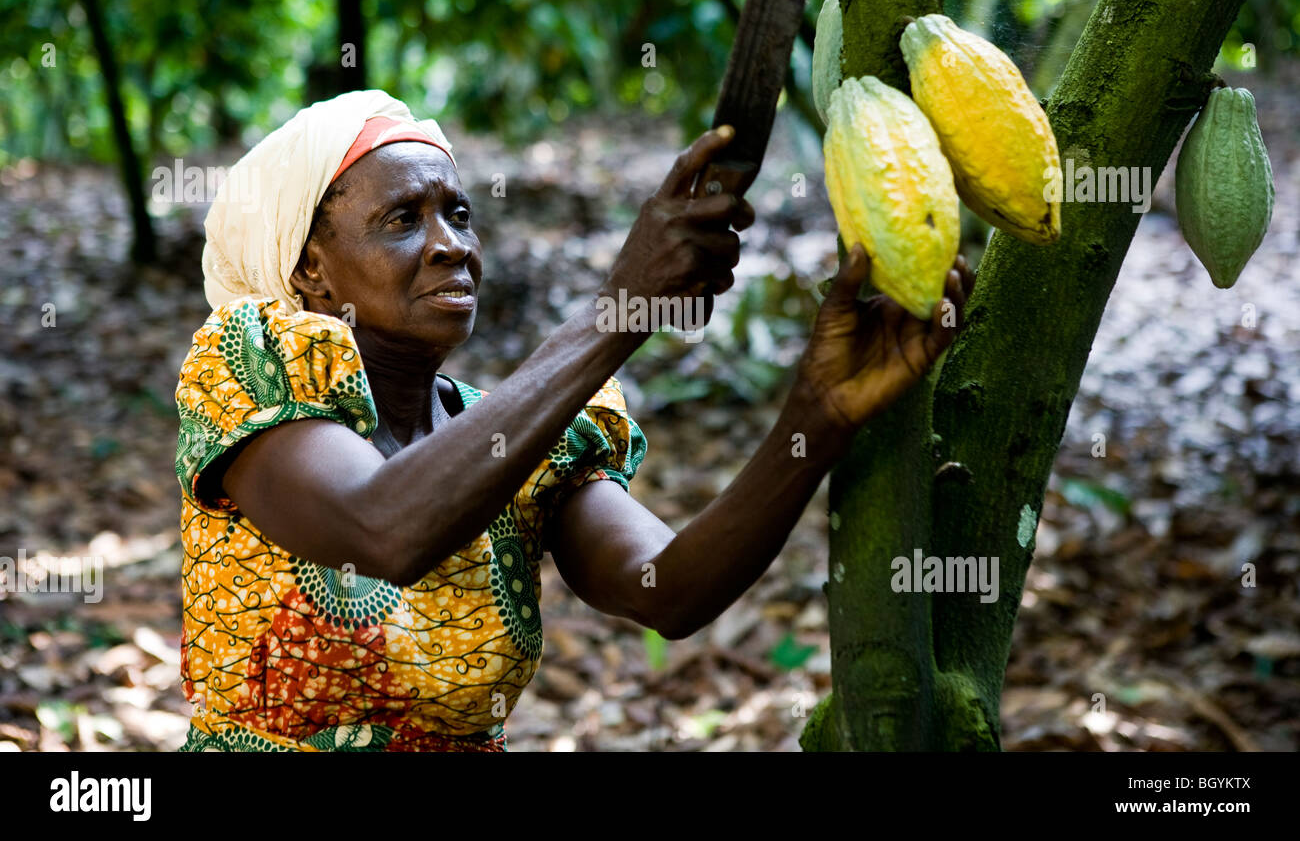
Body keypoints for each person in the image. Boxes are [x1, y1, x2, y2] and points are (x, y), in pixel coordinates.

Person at [174, 89, 973, 752]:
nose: (452, 245)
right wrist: (618, 312)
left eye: (459, 214)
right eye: (403, 220)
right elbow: (386, 530)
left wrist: (819, 413)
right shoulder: (250, 368)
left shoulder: (526, 435)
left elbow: (669, 588)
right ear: (309, 264)